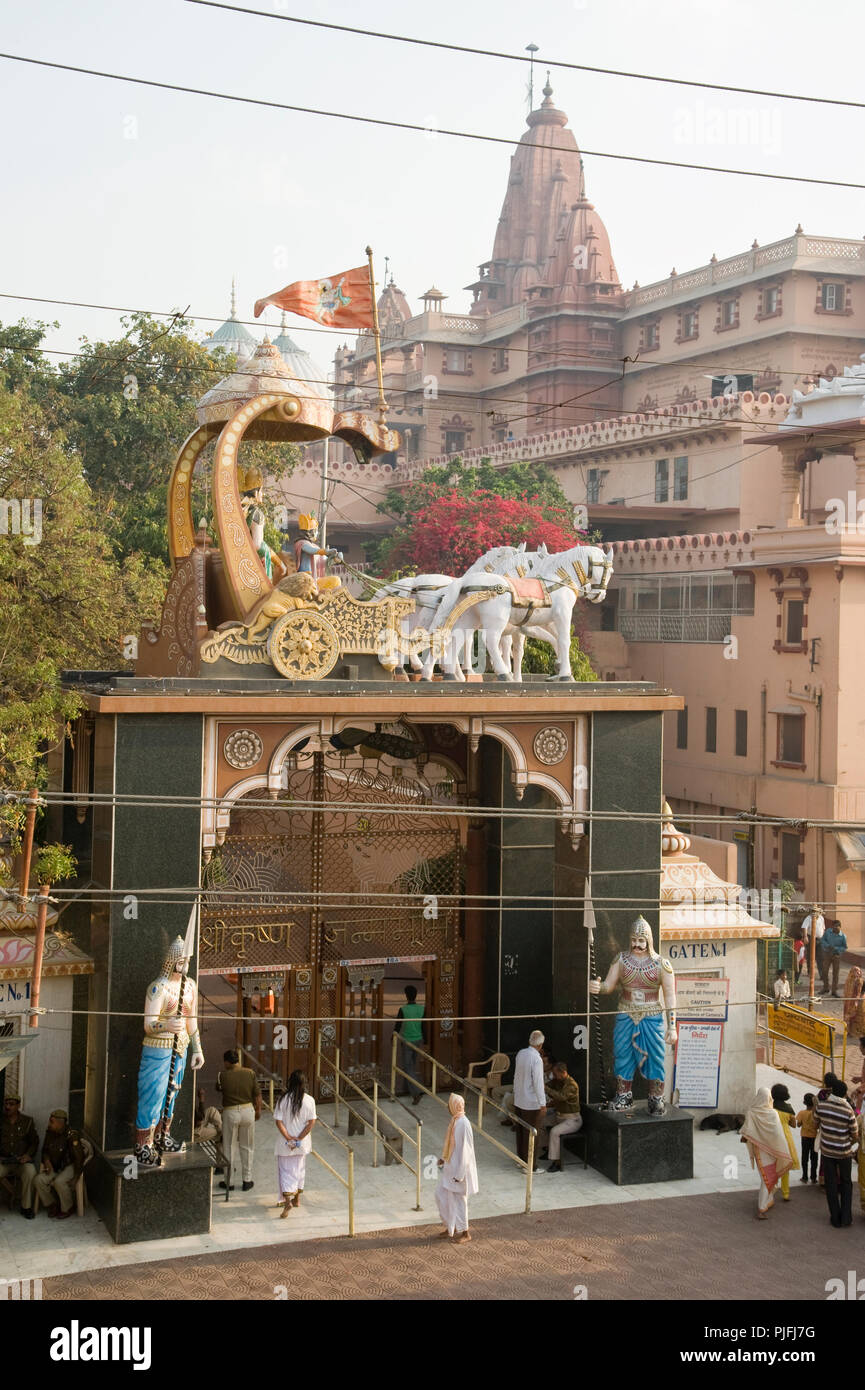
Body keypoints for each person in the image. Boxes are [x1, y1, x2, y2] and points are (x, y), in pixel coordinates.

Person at [589, 915, 677, 1115]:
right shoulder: (621, 960)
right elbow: (608, 986)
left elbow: (671, 998)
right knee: (622, 1055)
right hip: (625, 1013)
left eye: (641, 941)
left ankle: (656, 1098)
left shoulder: (662, 965)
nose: (637, 945)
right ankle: (624, 1096)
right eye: (634, 940)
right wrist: (597, 987)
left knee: (656, 1057)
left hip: (652, 1016)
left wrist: (672, 1027)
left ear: (649, 941)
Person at [134, 934, 204, 1167]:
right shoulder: (158, 988)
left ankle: (163, 1136)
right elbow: (148, 1024)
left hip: (181, 1047)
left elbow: (191, 1020)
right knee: (152, 1095)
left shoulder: (191, 986)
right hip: (158, 1049)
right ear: (171, 961)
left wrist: (198, 1049)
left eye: (187, 962)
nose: (185, 966)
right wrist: (165, 1024)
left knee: (172, 1093)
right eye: (181, 961)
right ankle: (144, 1145)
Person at [740, 1087, 796, 1219]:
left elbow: (746, 1133)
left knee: (767, 1178)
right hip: (772, 1152)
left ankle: (768, 1200)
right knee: (767, 1179)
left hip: (760, 1152)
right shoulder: (773, 1114)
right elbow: (777, 1135)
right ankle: (761, 1208)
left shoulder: (751, 1113)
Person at [434, 1093, 478, 1244]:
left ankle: (465, 1232)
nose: (447, 1107)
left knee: (460, 1201)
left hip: (459, 1171)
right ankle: (449, 1227)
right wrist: (444, 1158)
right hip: (451, 1169)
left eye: (449, 1104)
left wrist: (460, 1174)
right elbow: (451, 1145)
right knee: (442, 1195)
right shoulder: (455, 1121)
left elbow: (465, 1151)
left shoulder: (463, 1124)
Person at [815, 1079, 858, 1228]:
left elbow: (816, 1122)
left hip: (827, 1151)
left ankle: (835, 1217)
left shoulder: (822, 1106)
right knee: (846, 1183)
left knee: (831, 1184)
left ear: (832, 1091)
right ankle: (846, 1217)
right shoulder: (848, 1110)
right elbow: (855, 1134)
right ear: (844, 1094)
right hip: (844, 1152)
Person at [217, 1049, 261, 1192]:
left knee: (229, 1146)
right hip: (248, 1110)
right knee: (247, 1146)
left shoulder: (222, 1075)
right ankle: (247, 1180)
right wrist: (258, 1110)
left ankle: (228, 1182)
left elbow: (218, 1088)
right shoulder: (250, 1073)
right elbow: (257, 1094)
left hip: (230, 1112)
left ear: (227, 1062)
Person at [274, 1070, 316, 1218]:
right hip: (302, 1144)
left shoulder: (282, 1100)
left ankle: (287, 1202)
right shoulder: (310, 1100)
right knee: (300, 1170)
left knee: (286, 1172)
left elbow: (278, 1121)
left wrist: (289, 1138)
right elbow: (311, 1122)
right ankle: (297, 1200)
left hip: (286, 1144)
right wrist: (298, 1139)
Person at [33, 1109, 84, 1219]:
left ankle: (68, 1208)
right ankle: (52, 1204)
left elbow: (79, 1158)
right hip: (55, 1166)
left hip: (70, 1165)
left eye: (52, 1122)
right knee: (38, 1180)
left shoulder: (72, 1135)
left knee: (59, 1182)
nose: (49, 1124)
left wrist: (76, 1177)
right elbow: (45, 1150)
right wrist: (46, 1161)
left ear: (60, 1123)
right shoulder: (50, 1132)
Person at [0, 1093, 38, 1219]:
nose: (8, 1107)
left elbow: (34, 1142)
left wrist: (28, 1155)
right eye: (6, 1104)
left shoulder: (28, 1121)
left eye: (11, 1104)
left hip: (21, 1161)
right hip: (3, 1161)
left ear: (18, 1106)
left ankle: (26, 1207)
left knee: (30, 1172)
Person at [513, 1030, 547, 1168]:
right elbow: (538, 1082)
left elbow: (516, 1076)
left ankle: (521, 1161)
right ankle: (530, 1166)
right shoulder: (536, 1059)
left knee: (521, 1133)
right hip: (531, 1103)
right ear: (540, 1045)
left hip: (519, 1099)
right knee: (532, 1135)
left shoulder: (521, 1053)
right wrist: (543, 1104)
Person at [543, 1062, 582, 1174]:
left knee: (555, 1132)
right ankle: (547, 1148)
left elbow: (561, 1097)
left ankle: (557, 1162)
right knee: (541, 1122)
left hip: (572, 1120)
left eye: (556, 1074)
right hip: (559, 1116)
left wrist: (546, 1089)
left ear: (563, 1072)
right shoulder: (558, 1081)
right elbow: (549, 1085)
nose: (554, 1077)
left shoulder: (571, 1085)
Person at [394, 985, 425, 1105]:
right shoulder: (422, 1009)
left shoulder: (403, 1009)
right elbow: (424, 1026)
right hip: (418, 1040)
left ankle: (416, 1092)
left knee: (408, 1068)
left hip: (407, 1041)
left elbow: (397, 1026)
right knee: (412, 1065)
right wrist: (426, 1041)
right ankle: (409, 1088)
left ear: (406, 995)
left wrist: (393, 1036)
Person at [770, 1083, 799, 1200]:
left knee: (772, 1165)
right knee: (785, 1166)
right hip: (786, 1138)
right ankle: (786, 1193)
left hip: (773, 1137)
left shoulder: (770, 1107)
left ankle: (772, 1188)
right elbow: (793, 1125)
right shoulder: (789, 1108)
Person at [821, 920, 847, 998]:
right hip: (827, 954)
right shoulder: (828, 932)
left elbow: (844, 947)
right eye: (833, 927)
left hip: (836, 956)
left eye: (836, 927)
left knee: (835, 974)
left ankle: (834, 991)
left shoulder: (843, 936)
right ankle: (826, 988)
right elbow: (823, 940)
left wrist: (837, 949)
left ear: (840, 927)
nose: (835, 928)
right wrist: (827, 945)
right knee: (824, 971)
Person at [796, 1093, 819, 1183]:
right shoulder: (815, 1114)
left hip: (805, 1137)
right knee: (814, 1158)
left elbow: (798, 1124)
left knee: (804, 1157)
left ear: (804, 1102)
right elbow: (817, 1126)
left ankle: (804, 1176)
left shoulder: (802, 1113)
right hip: (814, 1137)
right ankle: (813, 1177)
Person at [801, 905, 825, 982]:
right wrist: (805, 937)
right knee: (811, 956)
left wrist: (822, 937)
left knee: (820, 957)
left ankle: (822, 974)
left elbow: (823, 928)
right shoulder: (809, 918)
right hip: (811, 938)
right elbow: (804, 927)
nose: (815, 913)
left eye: (817, 912)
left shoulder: (821, 918)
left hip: (820, 939)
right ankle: (810, 972)